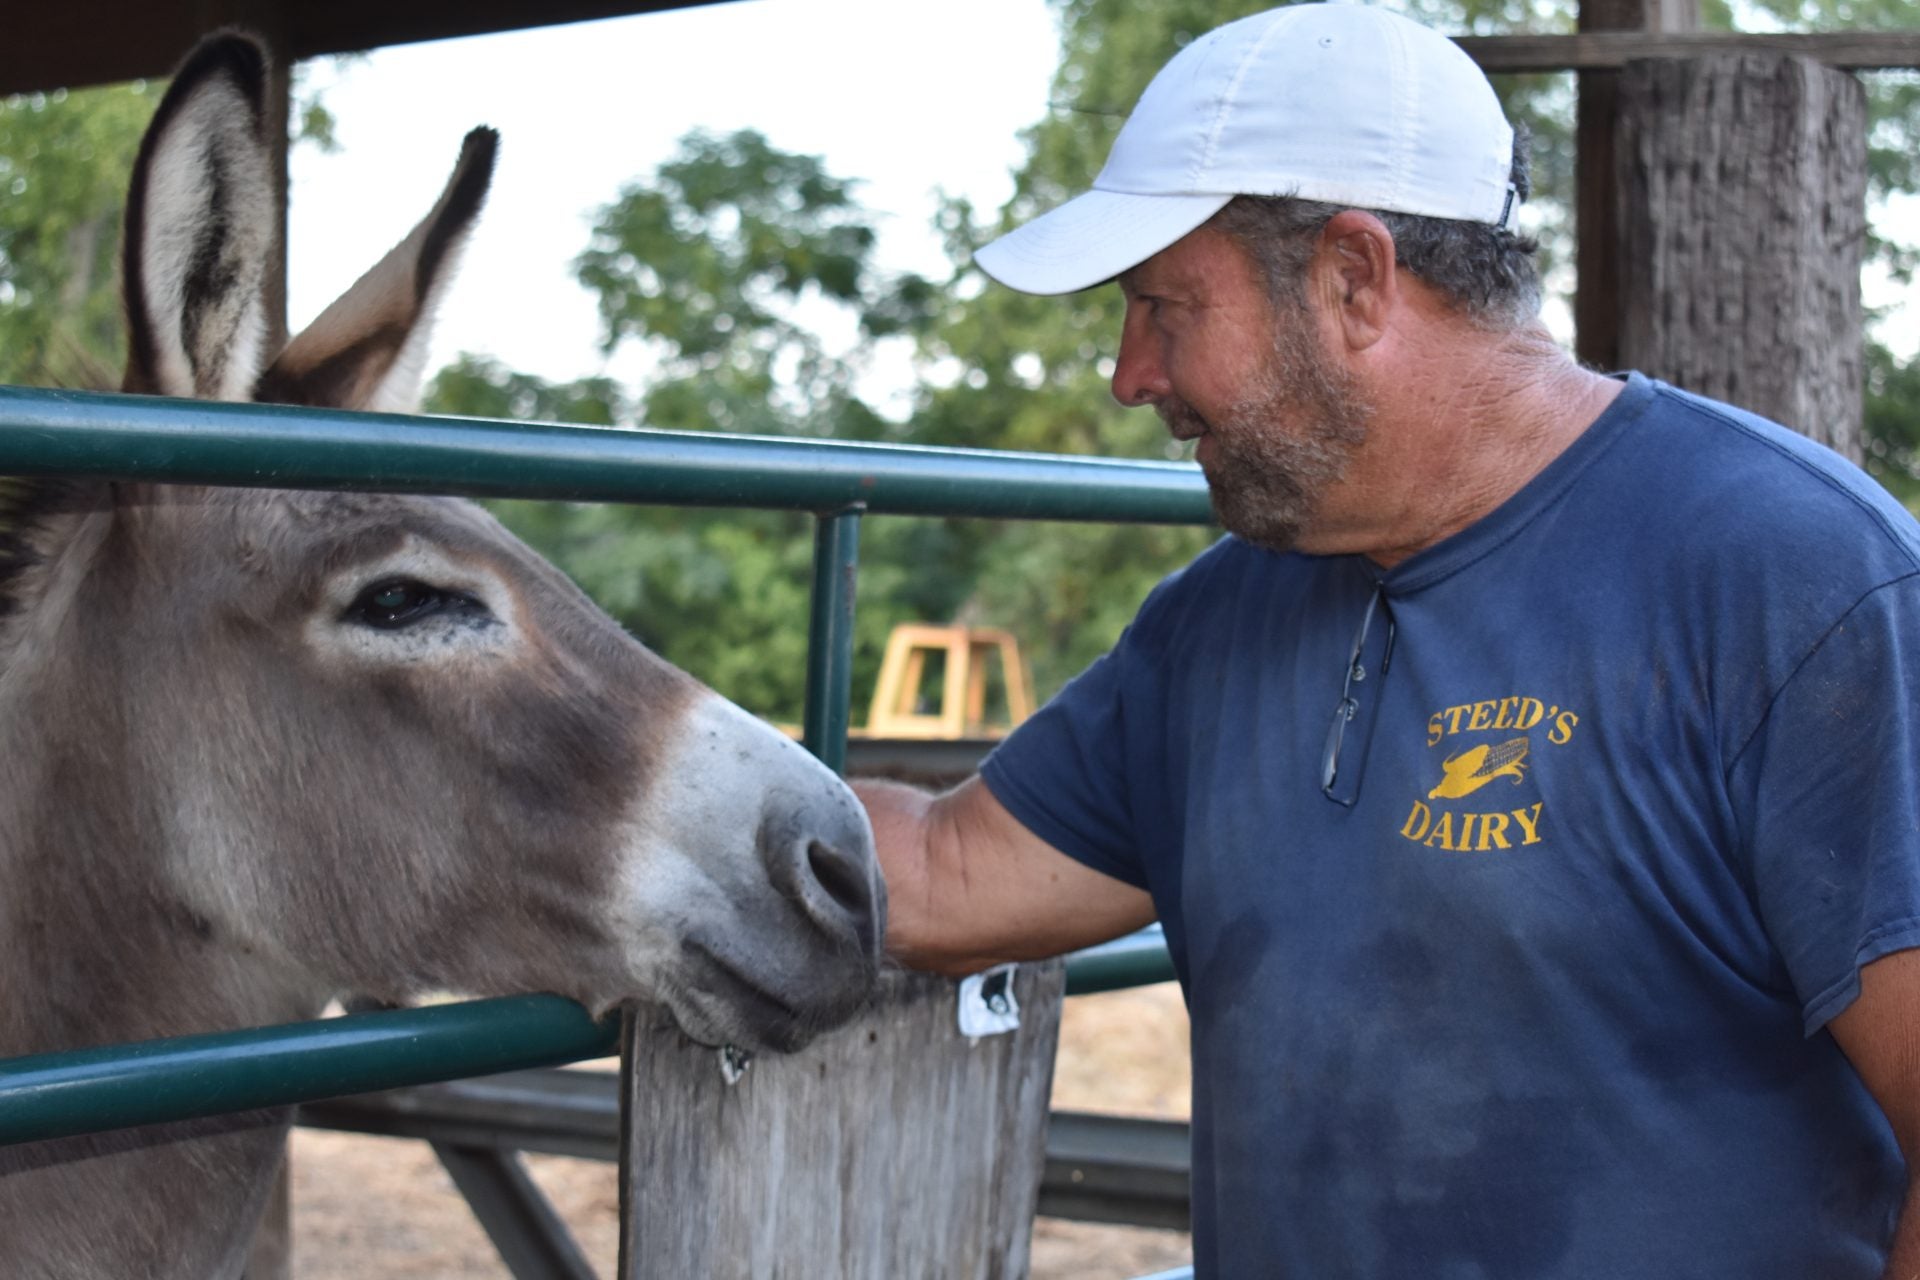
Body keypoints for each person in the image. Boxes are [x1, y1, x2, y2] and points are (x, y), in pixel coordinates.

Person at [853, 3, 1920, 1277]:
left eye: (1164, 306)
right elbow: (940, 871)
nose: (1131, 372)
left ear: (1353, 279)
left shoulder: (1789, 574)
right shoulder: (1215, 623)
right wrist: (593, 747)